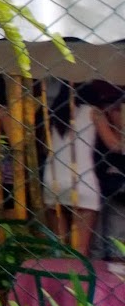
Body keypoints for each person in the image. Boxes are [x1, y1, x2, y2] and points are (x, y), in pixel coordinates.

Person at [43, 81, 124, 255]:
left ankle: (57, 279)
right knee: (80, 250)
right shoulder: (93, 112)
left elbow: (44, 147)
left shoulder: (52, 115)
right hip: (81, 181)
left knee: (58, 248)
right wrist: (118, 124)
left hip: (53, 181)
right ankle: (76, 281)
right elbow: (115, 145)